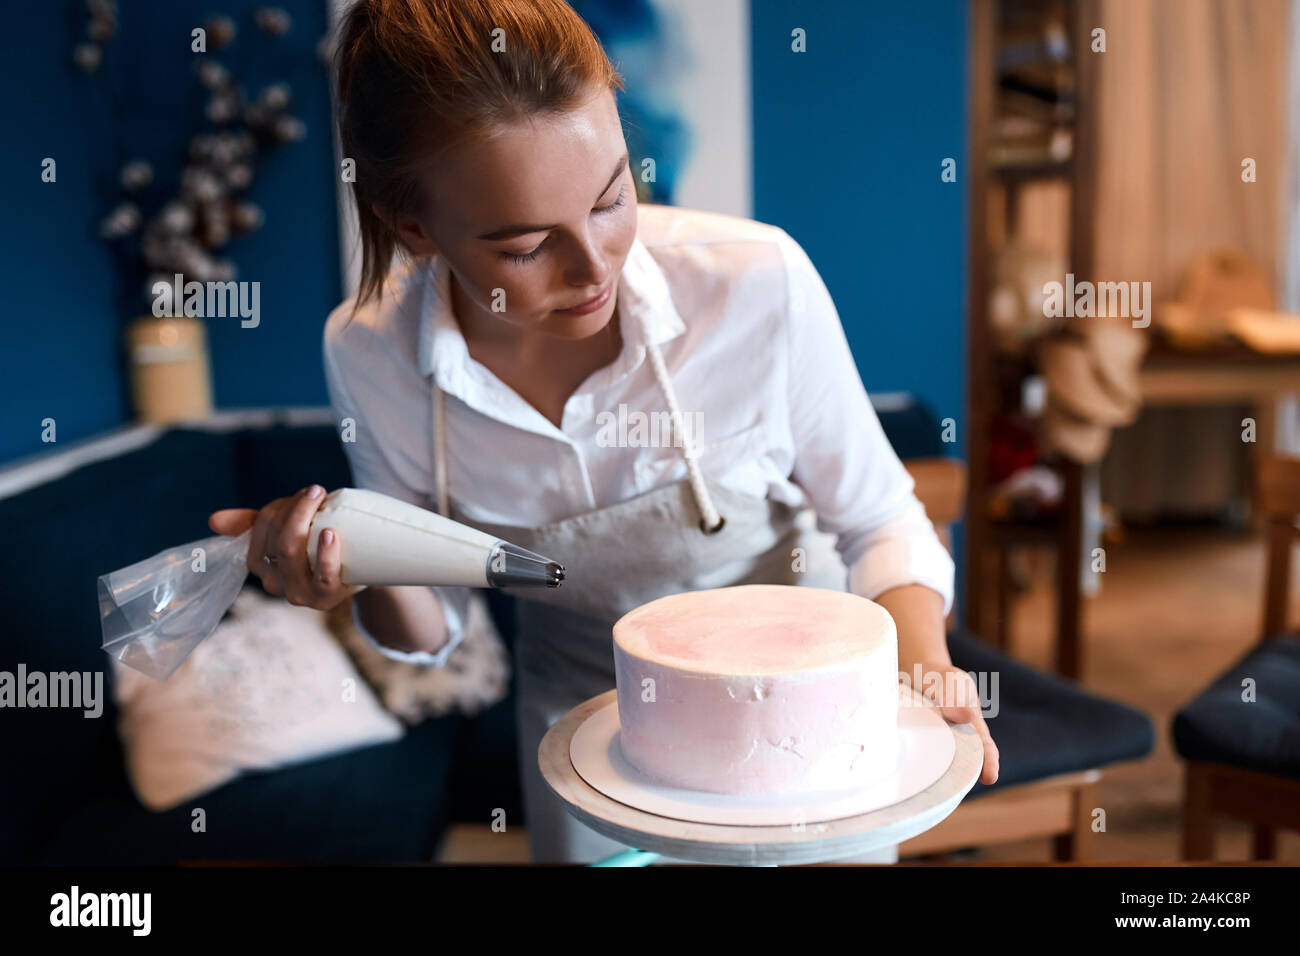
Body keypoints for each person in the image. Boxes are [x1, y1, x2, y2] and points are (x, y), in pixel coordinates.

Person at [209, 0, 999, 864]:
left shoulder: (755, 285)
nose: (595, 268)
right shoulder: (370, 353)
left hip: (799, 749)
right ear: (414, 227)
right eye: (524, 246)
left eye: (612, 197)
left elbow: (880, 516)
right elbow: (437, 632)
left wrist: (923, 667)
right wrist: (357, 571)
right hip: (587, 748)